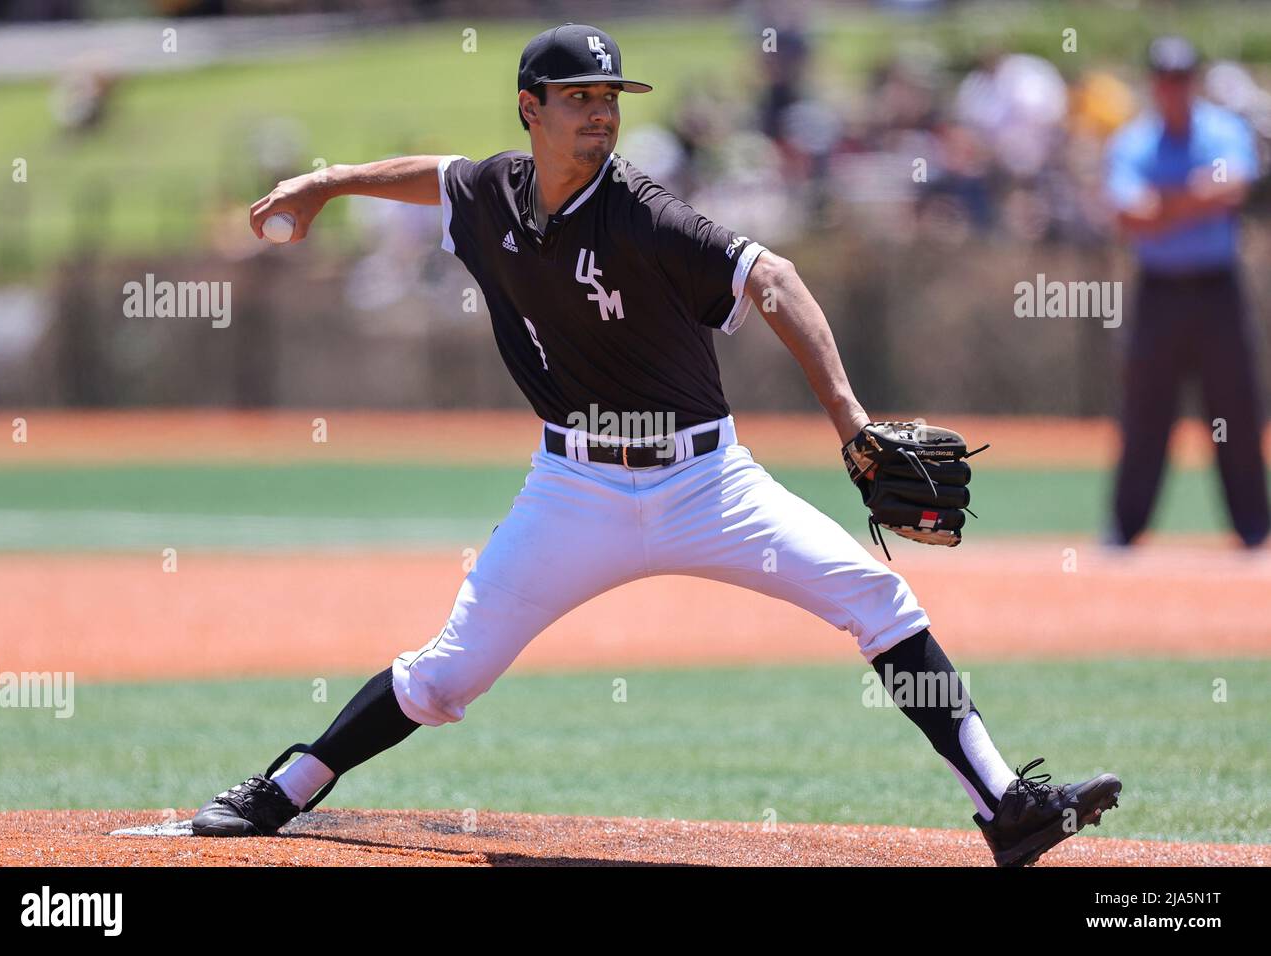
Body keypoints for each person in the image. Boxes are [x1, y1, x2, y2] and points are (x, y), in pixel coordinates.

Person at [191, 23, 1120, 866]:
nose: (601, 115)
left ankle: (1008, 807)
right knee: (446, 674)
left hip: (709, 483)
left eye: (610, 99)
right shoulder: (493, 194)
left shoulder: (645, 213)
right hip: (574, 492)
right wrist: (326, 181)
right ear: (531, 109)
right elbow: (437, 176)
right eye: (581, 98)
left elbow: (775, 276)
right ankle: (289, 787)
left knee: (877, 598)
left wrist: (850, 420)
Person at [1105, 36, 1269, 547]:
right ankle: (1125, 533)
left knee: (1235, 409)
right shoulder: (1133, 141)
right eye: (1164, 77)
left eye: (1181, 77)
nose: (1172, 88)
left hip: (1217, 289)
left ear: (1192, 81)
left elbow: (1234, 187)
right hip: (1160, 293)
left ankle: (1255, 531)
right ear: (1154, 83)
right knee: (1145, 411)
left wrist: (1163, 206)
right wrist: (1194, 198)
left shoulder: (1223, 130)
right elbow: (1129, 213)